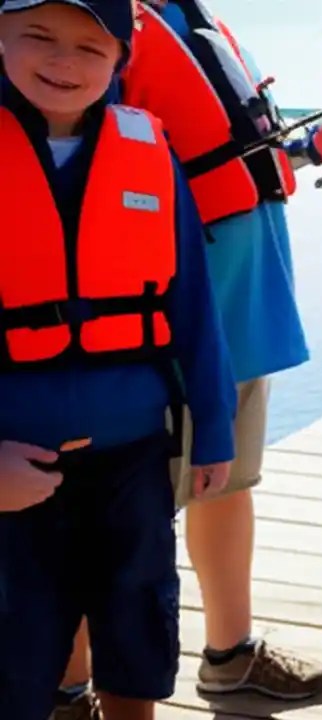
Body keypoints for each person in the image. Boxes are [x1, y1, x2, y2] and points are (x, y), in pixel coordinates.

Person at [51, 1, 322, 714]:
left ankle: (230, 653)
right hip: (162, 312)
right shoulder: (90, 19)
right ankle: (67, 685)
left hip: (242, 304)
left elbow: (219, 140)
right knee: (106, 498)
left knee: (231, 479)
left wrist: (305, 151)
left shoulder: (183, 15)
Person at [0, 1, 237, 719]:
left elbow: (194, 304)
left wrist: (215, 426)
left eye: (90, 47)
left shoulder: (149, 151)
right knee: (18, 650)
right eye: (38, 37)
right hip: (13, 465)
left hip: (133, 458)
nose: (64, 63)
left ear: (121, 60)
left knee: (138, 628)